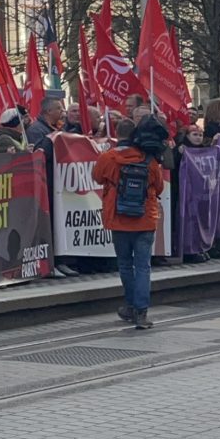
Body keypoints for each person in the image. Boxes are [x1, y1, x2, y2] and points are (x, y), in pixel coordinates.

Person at [94, 120, 168, 329]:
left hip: (118, 218)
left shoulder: (108, 157)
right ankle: (142, 312)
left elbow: (97, 177)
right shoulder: (149, 159)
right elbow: (159, 187)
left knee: (125, 265)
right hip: (145, 219)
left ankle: (130, 306)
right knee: (143, 266)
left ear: (117, 134)